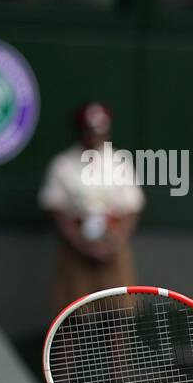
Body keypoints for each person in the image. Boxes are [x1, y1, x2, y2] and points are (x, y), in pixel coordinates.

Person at [39, 102, 143, 317]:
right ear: (79, 131)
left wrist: (114, 242)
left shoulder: (119, 162)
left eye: (100, 130)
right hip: (76, 249)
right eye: (89, 130)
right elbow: (56, 211)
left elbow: (132, 208)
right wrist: (81, 244)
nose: (95, 136)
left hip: (112, 246)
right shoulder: (63, 165)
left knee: (119, 315)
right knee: (71, 317)